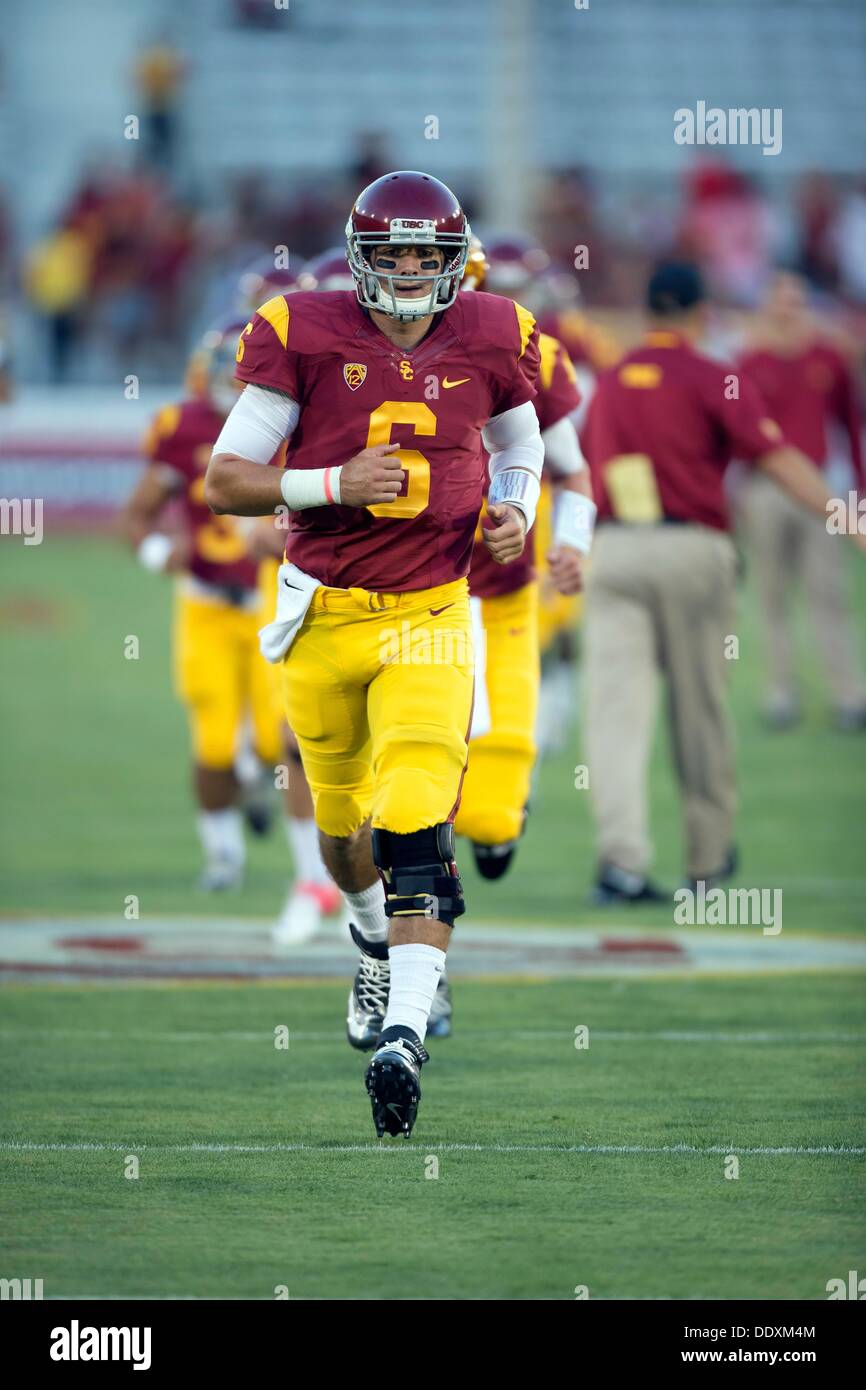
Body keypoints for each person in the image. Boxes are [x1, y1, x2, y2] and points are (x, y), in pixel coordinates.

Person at [205, 171, 542, 1137]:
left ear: (451, 263)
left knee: (417, 805)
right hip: (322, 613)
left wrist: (513, 505)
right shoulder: (302, 330)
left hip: (433, 608)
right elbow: (228, 480)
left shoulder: (491, 330)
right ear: (359, 259)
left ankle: (404, 1032)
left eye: (423, 257)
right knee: (345, 821)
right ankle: (366, 938)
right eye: (389, 255)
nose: (405, 273)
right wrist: (327, 482)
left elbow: (520, 445)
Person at [580, 262, 866, 904]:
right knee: (700, 711)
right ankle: (706, 863)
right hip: (691, 547)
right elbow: (775, 455)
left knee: (615, 718)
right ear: (699, 311)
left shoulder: (614, 380)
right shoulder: (714, 375)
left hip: (615, 548)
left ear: (649, 310)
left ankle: (620, 863)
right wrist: (848, 518)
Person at [121, 322, 283, 890]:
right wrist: (159, 551)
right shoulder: (183, 426)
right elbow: (136, 515)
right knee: (213, 738)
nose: (230, 386)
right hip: (206, 604)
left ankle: (258, 776)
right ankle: (223, 855)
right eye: (222, 374)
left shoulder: (295, 421)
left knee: (276, 737)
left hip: (273, 603)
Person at [737, 271, 866, 730]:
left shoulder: (830, 357)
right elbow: (737, 433)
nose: (787, 310)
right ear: (767, 306)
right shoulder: (750, 361)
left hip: (820, 487)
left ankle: (848, 694)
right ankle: (780, 693)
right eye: (780, 301)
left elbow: (850, 428)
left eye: (795, 301)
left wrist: (859, 500)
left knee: (829, 591)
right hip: (767, 487)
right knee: (772, 593)